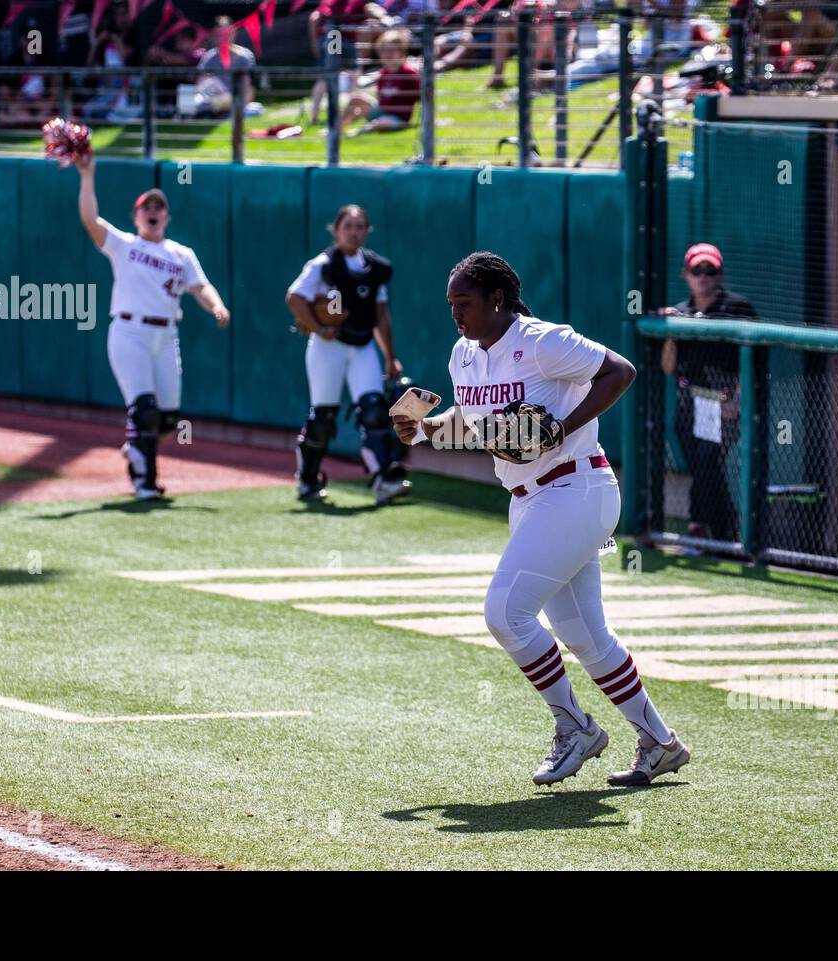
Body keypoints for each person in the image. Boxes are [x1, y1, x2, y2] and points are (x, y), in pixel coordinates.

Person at [392, 252, 691, 787]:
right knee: (586, 636)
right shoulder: (464, 354)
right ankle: (661, 742)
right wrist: (424, 428)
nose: (456, 314)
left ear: (498, 299)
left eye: (465, 302)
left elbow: (620, 370)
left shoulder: (542, 340)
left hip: (577, 487)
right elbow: (479, 423)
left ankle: (574, 726)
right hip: (529, 499)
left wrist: (562, 424)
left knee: (505, 613)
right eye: (451, 304)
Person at [75, 155, 231, 499]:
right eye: (147, 207)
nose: (154, 212)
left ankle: (136, 448)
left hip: (166, 334)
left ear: (167, 217)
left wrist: (216, 306)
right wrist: (88, 175)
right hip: (130, 332)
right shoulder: (125, 246)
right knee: (144, 410)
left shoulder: (181, 254)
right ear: (136, 216)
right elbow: (89, 220)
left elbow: (199, 286)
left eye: (159, 208)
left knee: (169, 421)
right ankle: (145, 482)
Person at [285, 205, 409, 506]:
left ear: (368, 230)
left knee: (374, 410)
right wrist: (318, 328)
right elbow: (295, 297)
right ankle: (308, 479)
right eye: (348, 226)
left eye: (360, 226)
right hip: (329, 346)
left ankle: (384, 478)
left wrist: (390, 356)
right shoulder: (323, 265)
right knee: (323, 417)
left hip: (362, 344)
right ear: (336, 229)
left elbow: (381, 315)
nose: (354, 232)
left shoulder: (374, 268)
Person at [659, 243, 757, 542]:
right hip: (689, 400)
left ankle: (697, 526)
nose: (703, 277)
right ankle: (724, 535)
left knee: (707, 460)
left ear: (720, 274)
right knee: (704, 467)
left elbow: (751, 361)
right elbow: (668, 368)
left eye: (709, 270)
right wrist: (671, 331)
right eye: (696, 271)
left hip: (724, 400)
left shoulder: (738, 308)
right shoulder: (682, 311)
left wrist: (738, 400)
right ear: (685, 274)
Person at [339, 29, 420, 136]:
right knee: (356, 99)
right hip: (381, 111)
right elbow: (380, 99)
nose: (387, 54)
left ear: (401, 52)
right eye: (384, 50)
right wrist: (362, 112)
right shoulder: (383, 74)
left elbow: (423, 99)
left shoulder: (409, 74)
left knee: (379, 123)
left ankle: (358, 133)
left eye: (392, 50)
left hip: (398, 119)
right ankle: (337, 130)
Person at [193, 16, 257, 118]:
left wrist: (236, 100)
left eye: (226, 34)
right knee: (196, 103)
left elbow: (247, 87)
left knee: (255, 109)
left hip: (237, 99)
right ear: (214, 35)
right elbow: (200, 84)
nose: (223, 39)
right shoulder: (209, 57)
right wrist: (213, 85)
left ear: (234, 33)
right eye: (219, 35)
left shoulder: (245, 56)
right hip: (214, 99)